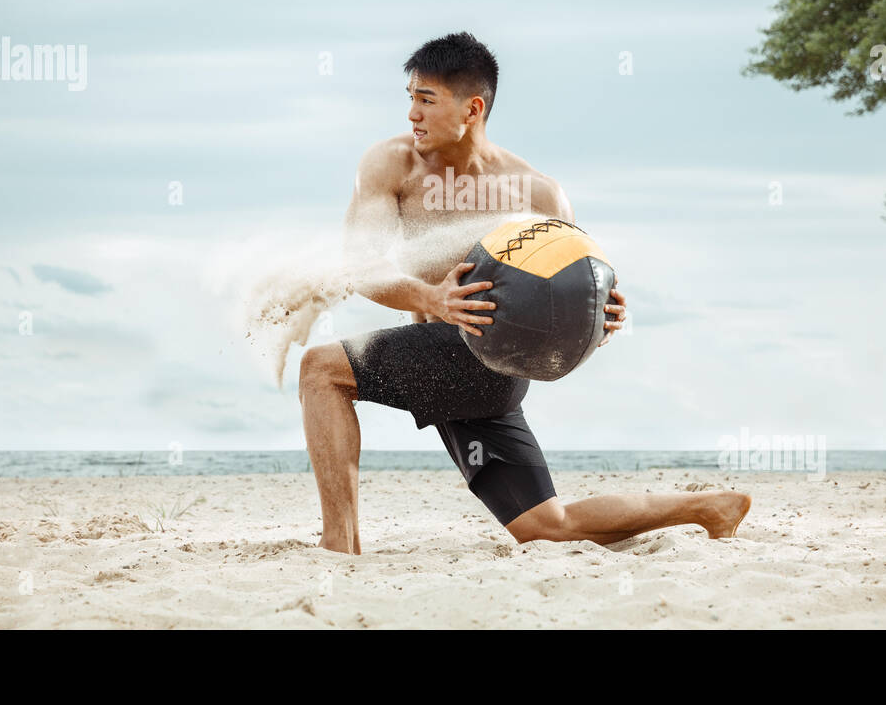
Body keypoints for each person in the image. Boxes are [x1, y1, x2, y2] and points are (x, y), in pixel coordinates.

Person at [298, 31, 751, 554]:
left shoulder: (537, 192)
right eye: (410, 98)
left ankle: (339, 547)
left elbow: (583, 286)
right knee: (543, 524)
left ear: (471, 108)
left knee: (321, 370)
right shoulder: (390, 164)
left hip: (493, 362)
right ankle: (709, 507)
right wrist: (429, 299)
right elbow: (357, 265)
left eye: (426, 100)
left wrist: (602, 314)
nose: (412, 114)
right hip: (449, 358)